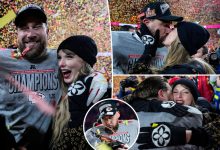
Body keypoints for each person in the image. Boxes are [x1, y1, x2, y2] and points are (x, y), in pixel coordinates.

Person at [0, 4, 108, 149]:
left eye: (37, 26)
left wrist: (96, 76)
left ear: (48, 31)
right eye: (24, 28)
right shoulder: (3, 59)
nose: (30, 33)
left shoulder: (58, 59)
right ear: (17, 33)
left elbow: (83, 65)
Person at [50, 35, 110, 149]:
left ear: (84, 61)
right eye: (59, 57)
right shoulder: (60, 89)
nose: (60, 64)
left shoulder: (99, 90)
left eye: (69, 57)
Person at [121, 76, 203, 149]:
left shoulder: (123, 115)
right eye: (173, 92)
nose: (178, 96)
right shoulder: (191, 114)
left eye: (185, 92)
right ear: (161, 94)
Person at [112, 1, 183, 74]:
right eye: (165, 25)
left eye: (170, 25)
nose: (169, 30)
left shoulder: (171, 46)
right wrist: (148, 52)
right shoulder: (115, 40)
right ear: (146, 22)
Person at [132, 21, 215, 74]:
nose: (169, 30)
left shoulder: (180, 71)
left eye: (174, 29)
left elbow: (136, 73)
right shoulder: (190, 66)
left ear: (181, 40)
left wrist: (149, 49)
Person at [171, 78, 220, 149]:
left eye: (185, 92)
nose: (179, 96)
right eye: (175, 92)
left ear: (193, 96)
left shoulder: (203, 114)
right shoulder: (167, 113)